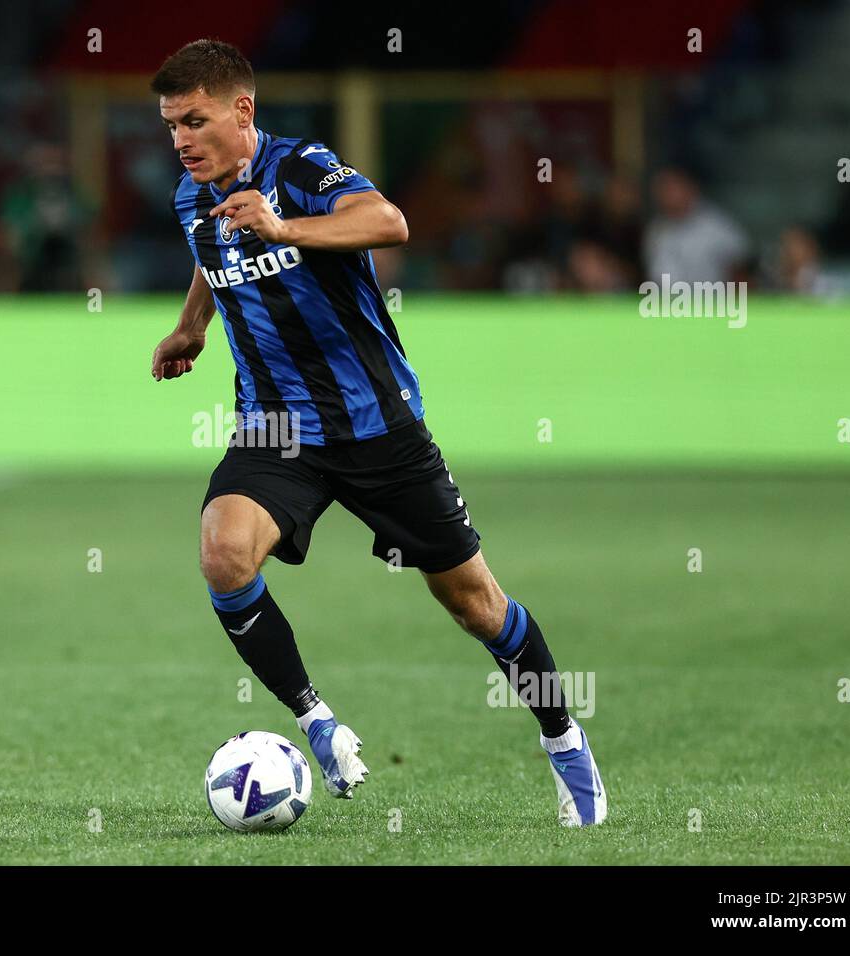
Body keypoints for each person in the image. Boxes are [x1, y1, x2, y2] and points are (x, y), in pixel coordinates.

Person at [149, 39, 605, 826]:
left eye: (195, 120)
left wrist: (285, 227)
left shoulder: (300, 170)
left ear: (242, 111)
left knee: (475, 606)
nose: (182, 140)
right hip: (277, 425)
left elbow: (386, 221)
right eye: (170, 126)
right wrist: (191, 325)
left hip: (376, 424)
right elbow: (210, 250)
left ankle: (564, 739)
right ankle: (316, 721)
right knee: (223, 553)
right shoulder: (193, 197)